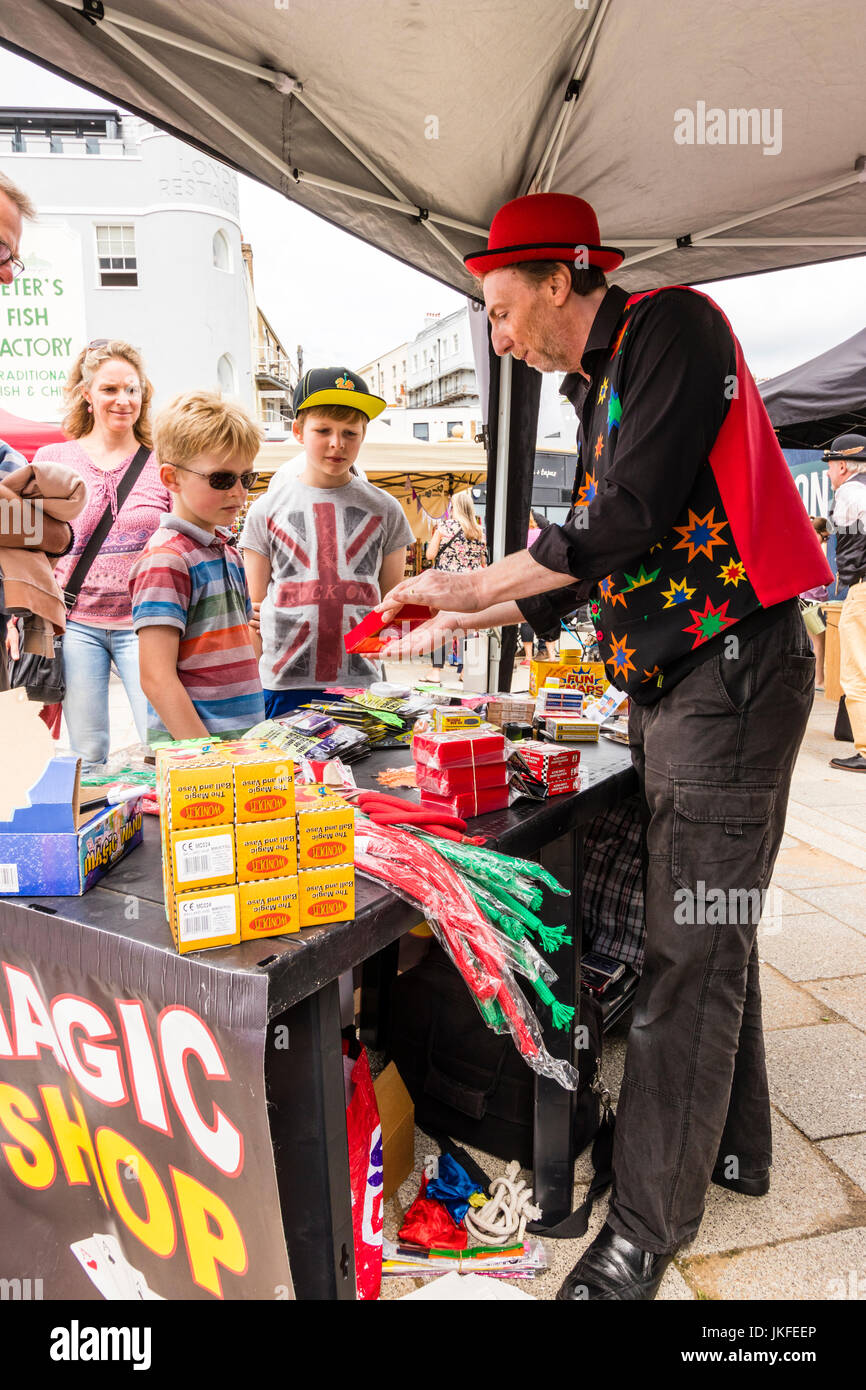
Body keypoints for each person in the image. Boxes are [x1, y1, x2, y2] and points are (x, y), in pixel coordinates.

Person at [380, 191, 831, 1300]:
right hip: (683, 681)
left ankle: (641, 1229)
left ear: (555, 279)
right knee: (708, 926)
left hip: (727, 676)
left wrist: (473, 579)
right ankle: (732, 1143)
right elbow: (585, 562)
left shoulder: (672, 329)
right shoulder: (600, 384)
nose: (495, 335)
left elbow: (618, 519)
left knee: (690, 947)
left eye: (495, 309)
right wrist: (457, 610)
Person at [240, 368, 412, 716]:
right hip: (282, 685)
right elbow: (253, 613)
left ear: (363, 436)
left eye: (351, 432)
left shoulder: (387, 510)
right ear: (298, 432)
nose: (338, 443)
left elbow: (392, 603)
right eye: (323, 431)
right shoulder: (265, 510)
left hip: (360, 687)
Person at [32, 340, 170, 770]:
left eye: (132, 389)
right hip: (76, 624)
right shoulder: (53, 459)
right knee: (86, 754)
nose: (123, 400)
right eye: (110, 389)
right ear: (87, 394)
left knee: (160, 746)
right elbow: (34, 547)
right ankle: (98, 834)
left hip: (146, 625)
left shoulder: (162, 461)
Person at [129, 391, 264, 742]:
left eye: (246, 478)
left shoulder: (228, 552)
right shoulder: (167, 559)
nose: (238, 492)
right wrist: (208, 755)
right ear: (171, 478)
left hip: (239, 748)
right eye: (221, 479)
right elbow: (156, 677)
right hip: (198, 764)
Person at [825, 434, 866, 772]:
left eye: (829, 465)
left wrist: (848, 581)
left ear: (842, 465)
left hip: (864, 589)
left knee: (857, 674)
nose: (827, 472)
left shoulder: (849, 492)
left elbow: (850, 545)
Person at [425, 488, 487, 677]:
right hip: (470, 586)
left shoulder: (444, 528)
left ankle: (436, 672)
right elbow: (483, 563)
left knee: (441, 627)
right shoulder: (479, 532)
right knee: (466, 628)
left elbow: (430, 555)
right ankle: (464, 671)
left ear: (454, 507)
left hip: (447, 586)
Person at [520, 512, 557, 664]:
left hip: (525, 578)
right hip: (544, 578)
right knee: (546, 615)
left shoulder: (520, 537)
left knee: (525, 618)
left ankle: (528, 658)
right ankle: (552, 656)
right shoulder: (541, 533)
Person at [800, 516, 830, 689]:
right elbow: (819, 581)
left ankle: (815, 680)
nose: (825, 541)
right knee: (819, 644)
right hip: (810, 602)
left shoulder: (804, 547)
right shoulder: (810, 550)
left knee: (812, 643)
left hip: (805, 601)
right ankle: (819, 680)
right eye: (824, 537)